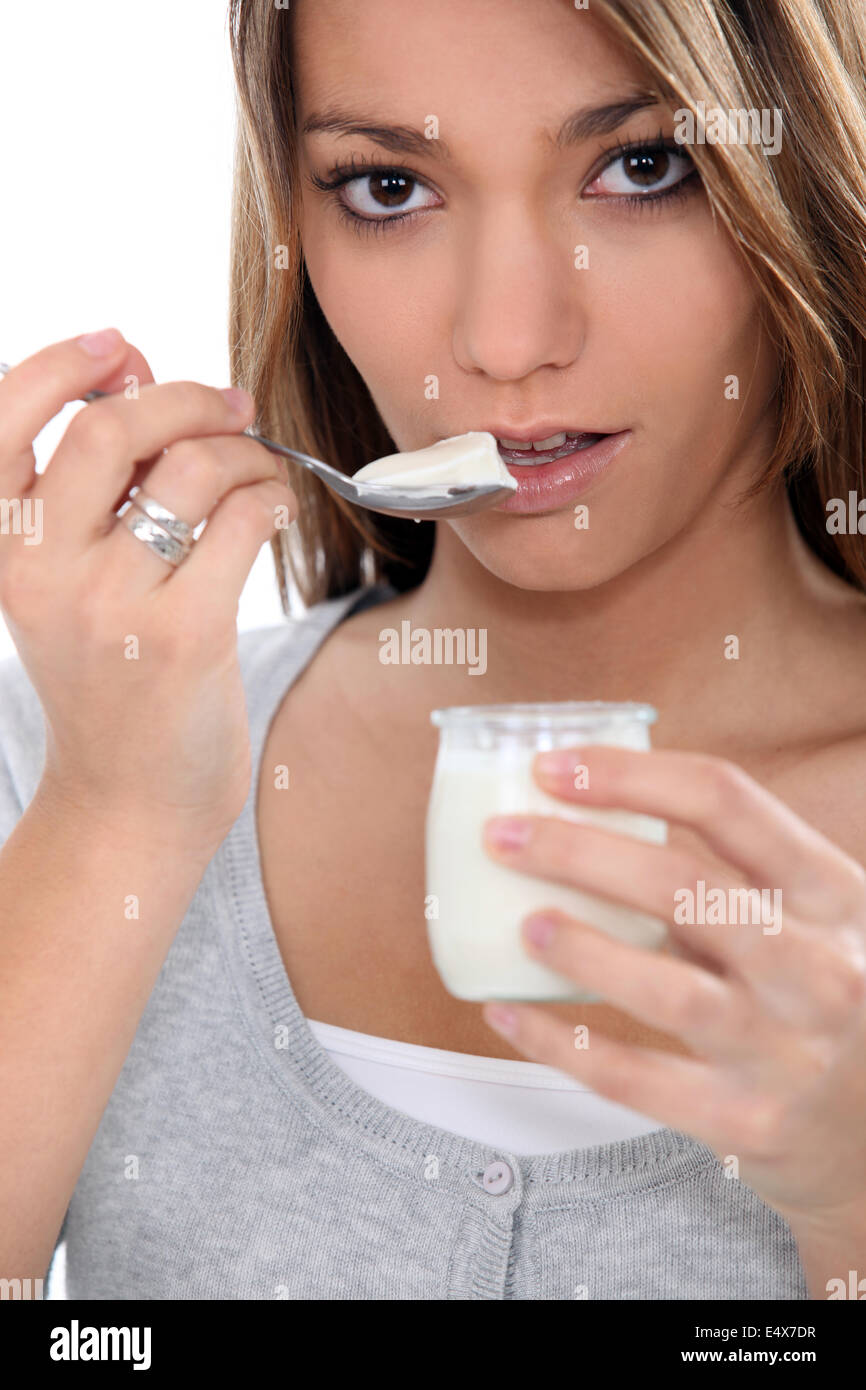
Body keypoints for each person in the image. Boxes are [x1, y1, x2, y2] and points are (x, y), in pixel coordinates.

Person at [1, 0, 865, 1301]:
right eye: (388, 185)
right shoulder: (73, 751)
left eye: (643, 165)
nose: (507, 341)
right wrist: (112, 818)